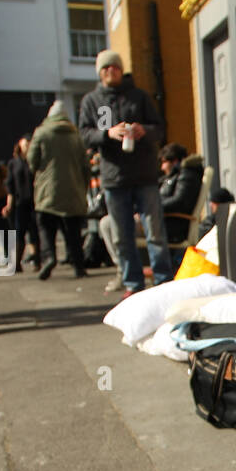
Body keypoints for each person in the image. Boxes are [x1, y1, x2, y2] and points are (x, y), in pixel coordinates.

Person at [78, 49, 171, 297]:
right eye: (105, 68)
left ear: (121, 70)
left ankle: (162, 281)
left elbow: (160, 128)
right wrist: (107, 134)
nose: (111, 72)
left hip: (144, 175)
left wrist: (144, 131)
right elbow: (85, 134)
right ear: (100, 73)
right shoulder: (91, 101)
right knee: (122, 235)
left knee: (155, 232)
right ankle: (133, 283)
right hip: (113, 177)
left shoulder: (139, 97)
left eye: (115, 67)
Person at [28, 100, 89, 280]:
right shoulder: (75, 135)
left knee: (46, 228)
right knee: (73, 232)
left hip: (48, 190)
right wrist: (82, 187)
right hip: (73, 190)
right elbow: (85, 165)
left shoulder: (41, 133)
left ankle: (49, 256)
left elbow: (32, 160)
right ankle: (79, 266)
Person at [158, 143, 205, 245]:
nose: (162, 167)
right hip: (162, 221)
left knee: (125, 227)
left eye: (164, 162)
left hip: (173, 226)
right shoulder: (172, 177)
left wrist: (152, 208)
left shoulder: (187, 175)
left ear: (174, 161)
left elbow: (179, 201)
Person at [4, 135, 39, 272]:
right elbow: (10, 186)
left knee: (35, 232)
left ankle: (37, 261)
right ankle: (16, 263)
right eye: (25, 145)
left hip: (35, 202)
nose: (27, 147)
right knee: (19, 232)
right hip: (20, 203)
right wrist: (9, 204)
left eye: (29, 145)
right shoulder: (14, 163)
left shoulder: (34, 161)